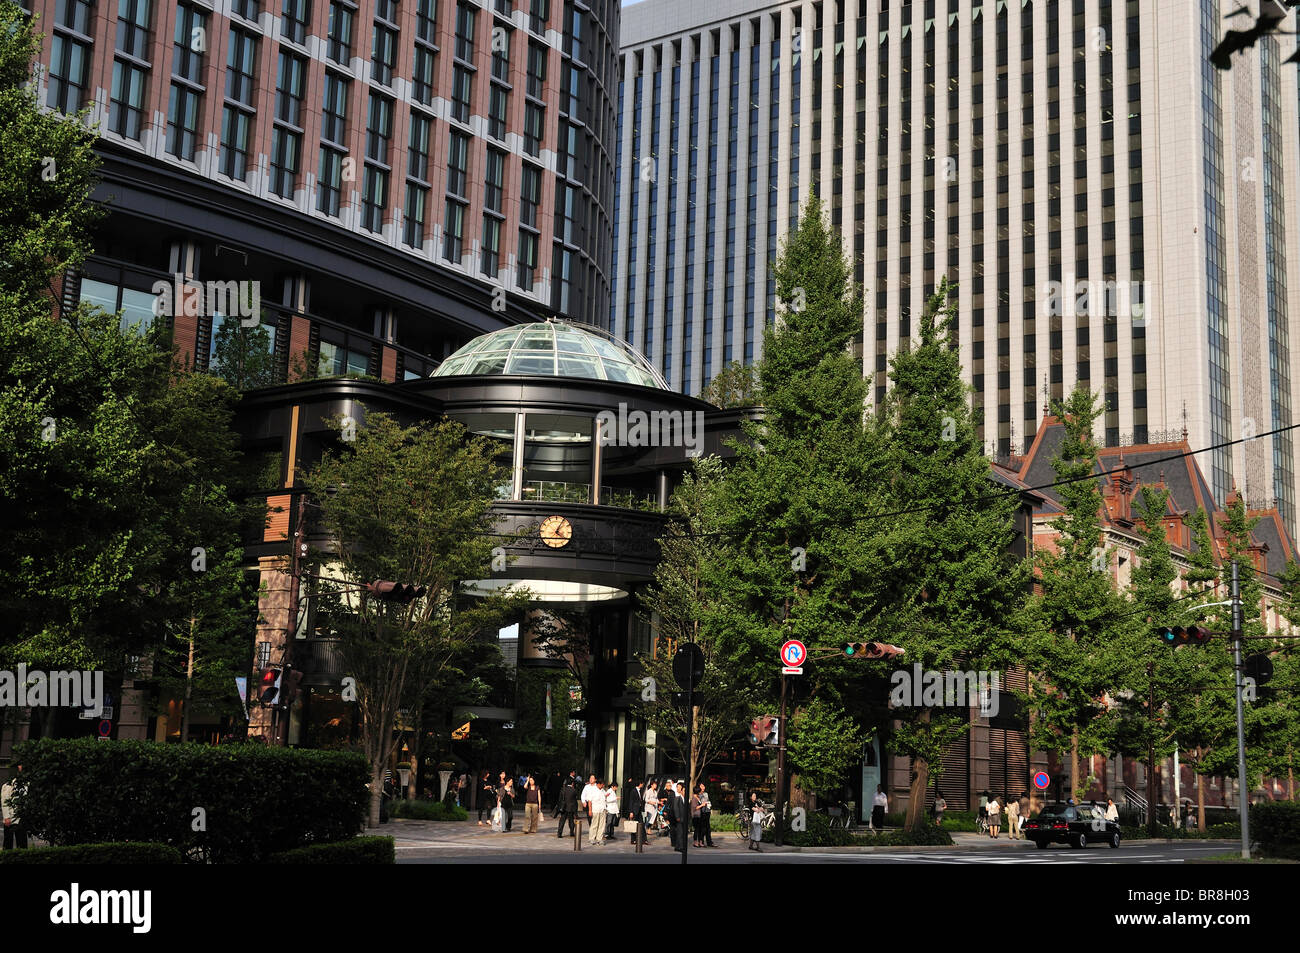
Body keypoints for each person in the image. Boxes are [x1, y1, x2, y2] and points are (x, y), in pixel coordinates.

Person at [1, 765, 26, 851]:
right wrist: (6, 817)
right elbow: (5, 802)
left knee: (22, 842)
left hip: (21, 817)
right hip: (10, 819)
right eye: (19, 770)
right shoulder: (7, 786)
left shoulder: (25, 784)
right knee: (8, 843)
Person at [626, 779, 645, 845]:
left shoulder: (641, 791)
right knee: (634, 825)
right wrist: (631, 812)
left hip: (639, 810)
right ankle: (633, 839)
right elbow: (631, 802)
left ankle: (643, 839)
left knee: (641, 824)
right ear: (640, 783)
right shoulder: (633, 791)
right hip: (634, 810)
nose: (643, 785)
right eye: (642, 783)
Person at [589, 779, 607, 845]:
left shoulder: (603, 791)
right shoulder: (592, 790)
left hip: (602, 809)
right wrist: (590, 810)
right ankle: (592, 838)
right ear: (598, 784)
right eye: (602, 784)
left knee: (602, 825)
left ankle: (599, 838)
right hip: (595, 809)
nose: (603, 785)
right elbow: (590, 801)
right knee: (594, 824)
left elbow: (606, 797)